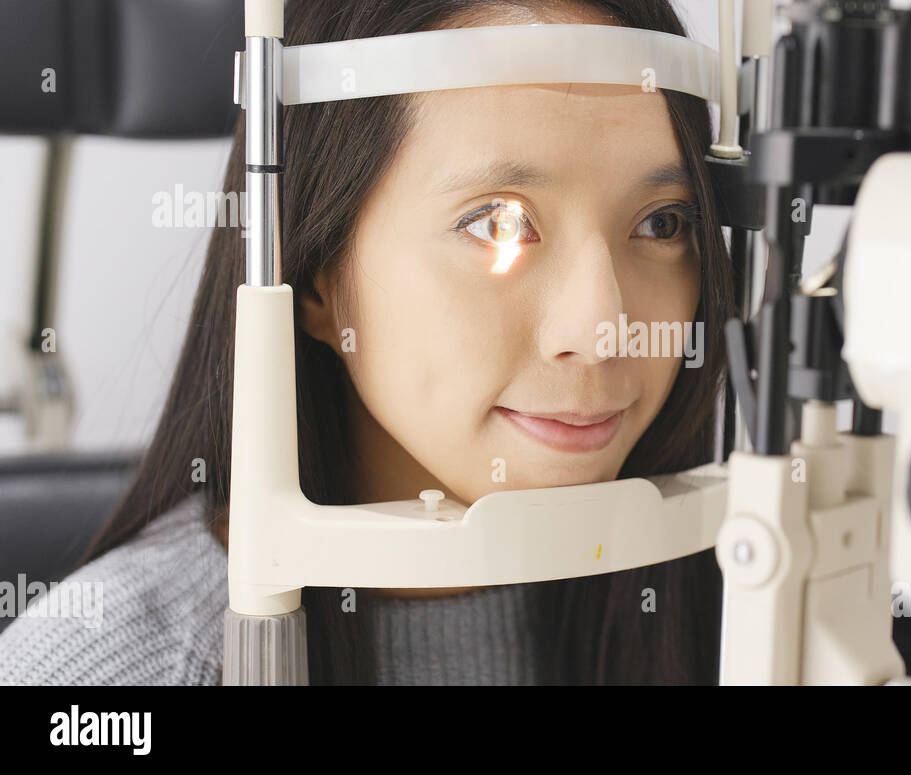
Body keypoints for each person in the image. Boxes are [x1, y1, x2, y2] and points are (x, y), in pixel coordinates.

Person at [0, 0, 732, 686]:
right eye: (498, 224)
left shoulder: (751, 603)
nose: (602, 330)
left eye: (663, 224)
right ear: (316, 274)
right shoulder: (109, 673)